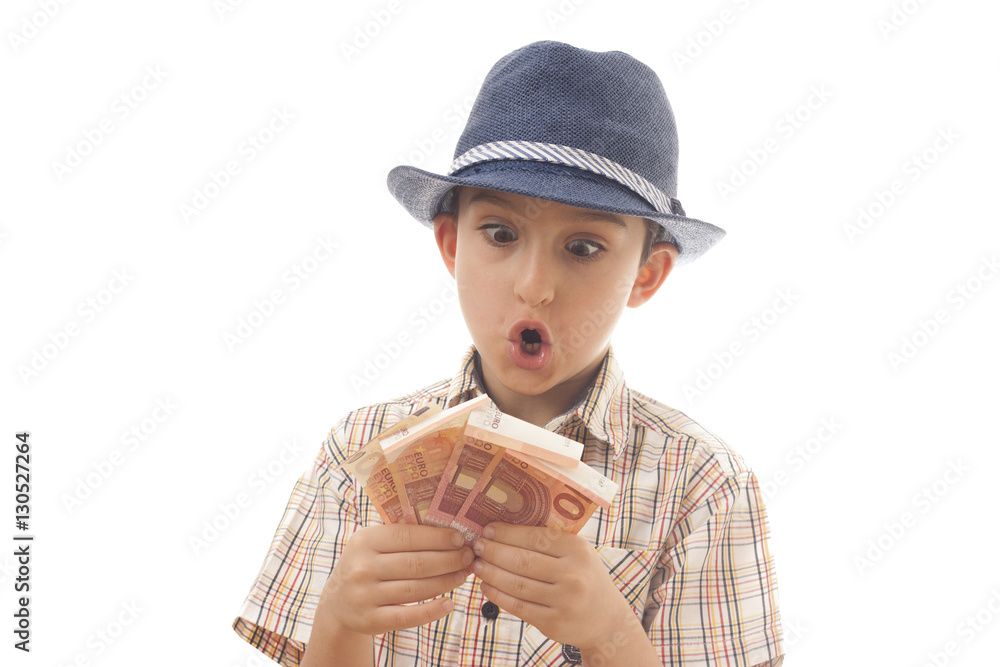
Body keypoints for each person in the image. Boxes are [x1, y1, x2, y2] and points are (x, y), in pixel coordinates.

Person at [233, 40, 785, 666]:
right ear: (451, 244)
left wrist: (610, 635)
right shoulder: (355, 453)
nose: (533, 286)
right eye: (500, 234)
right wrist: (339, 619)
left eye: (583, 248)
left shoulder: (704, 486)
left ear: (647, 275)